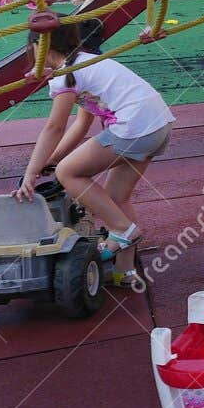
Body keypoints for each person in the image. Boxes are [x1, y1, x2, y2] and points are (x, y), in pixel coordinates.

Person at [16, 18, 175, 287]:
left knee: (68, 172)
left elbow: (54, 127)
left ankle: (122, 231)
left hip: (133, 127)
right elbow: (82, 124)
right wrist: (51, 159)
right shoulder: (87, 61)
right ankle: (125, 272)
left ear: (38, 47)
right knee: (116, 197)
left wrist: (31, 172)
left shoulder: (65, 75)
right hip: (158, 125)